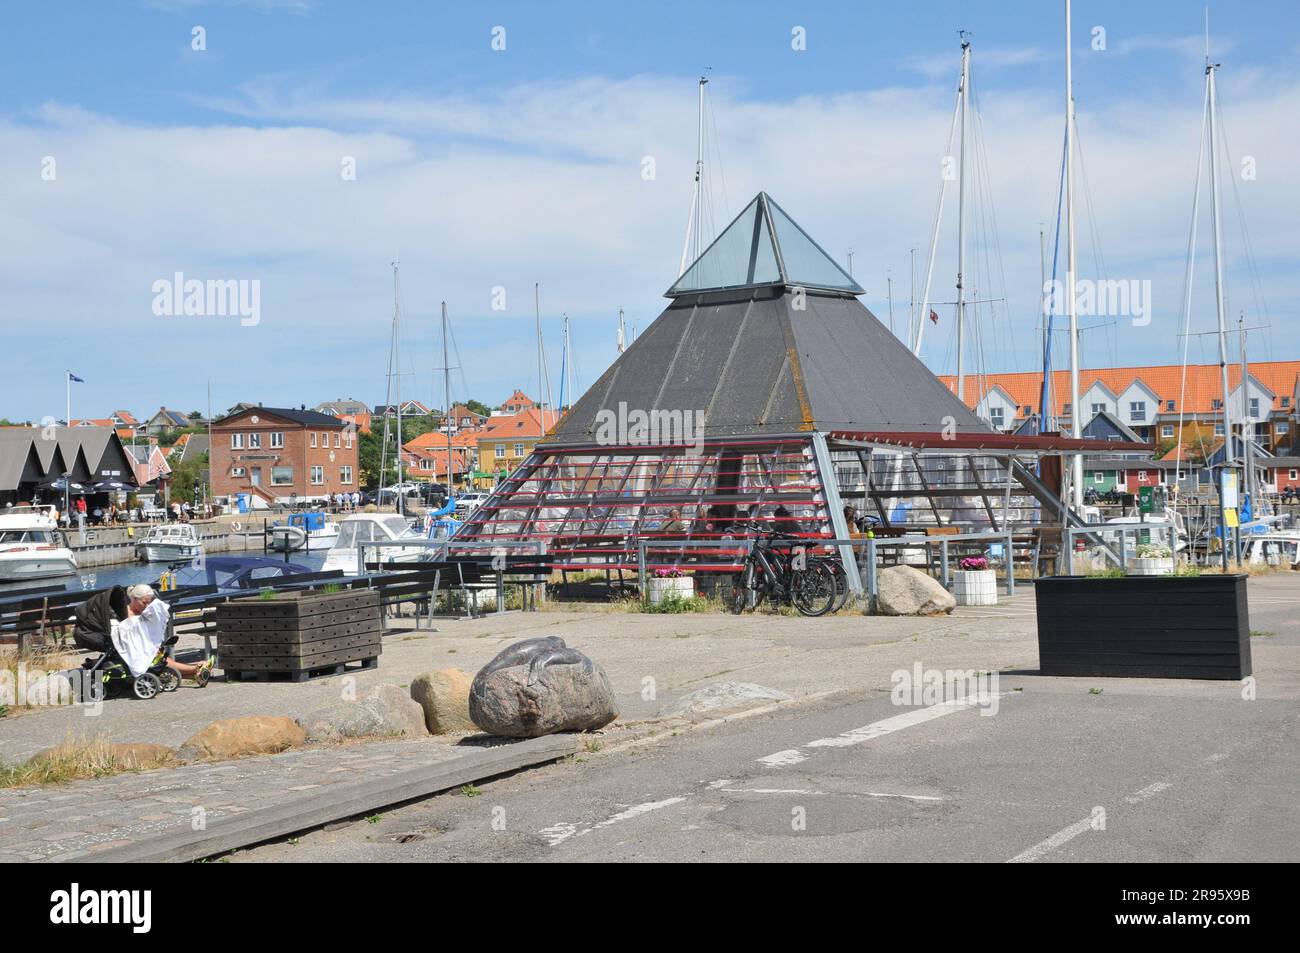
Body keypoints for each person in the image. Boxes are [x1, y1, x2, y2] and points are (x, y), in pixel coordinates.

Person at [116, 585, 213, 685]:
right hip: (132, 650)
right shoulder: (125, 614)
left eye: (149, 602)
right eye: (144, 602)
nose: (147, 606)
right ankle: (196, 668)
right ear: (134, 599)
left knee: (162, 658)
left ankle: (195, 675)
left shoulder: (144, 612)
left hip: (144, 647)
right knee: (161, 660)